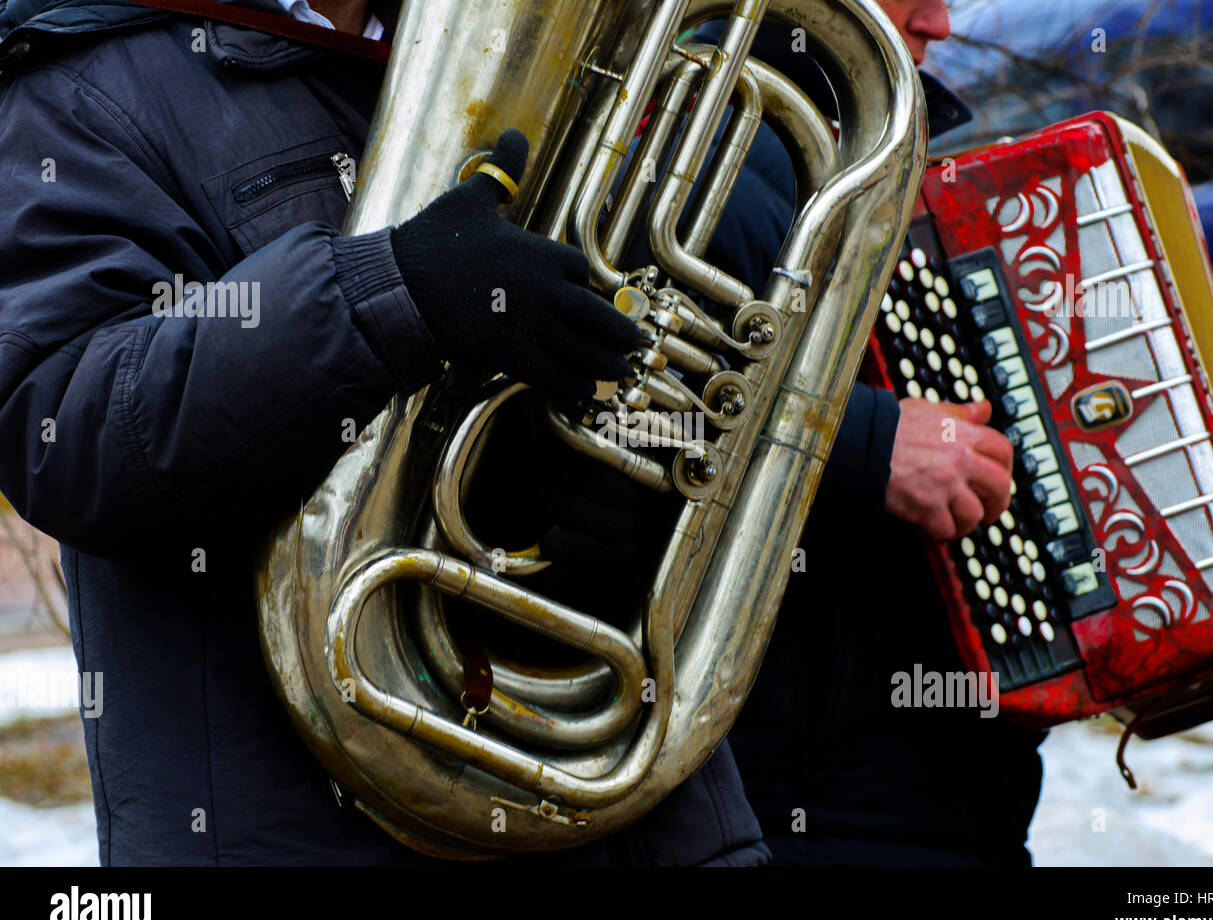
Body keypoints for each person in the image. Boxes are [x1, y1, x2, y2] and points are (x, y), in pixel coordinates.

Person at [0, 0, 768, 865]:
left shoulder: (540, 43)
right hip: (299, 825)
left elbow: (636, 345)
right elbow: (65, 424)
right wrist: (388, 292)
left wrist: (624, 484)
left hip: (627, 798)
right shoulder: (78, 85)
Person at [690, 0, 1046, 865]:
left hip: (943, 795)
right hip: (788, 807)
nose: (944, 23)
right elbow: (615, 395)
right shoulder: (704, 131)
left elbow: (975, 454)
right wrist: (867, 441)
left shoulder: (885, 148)